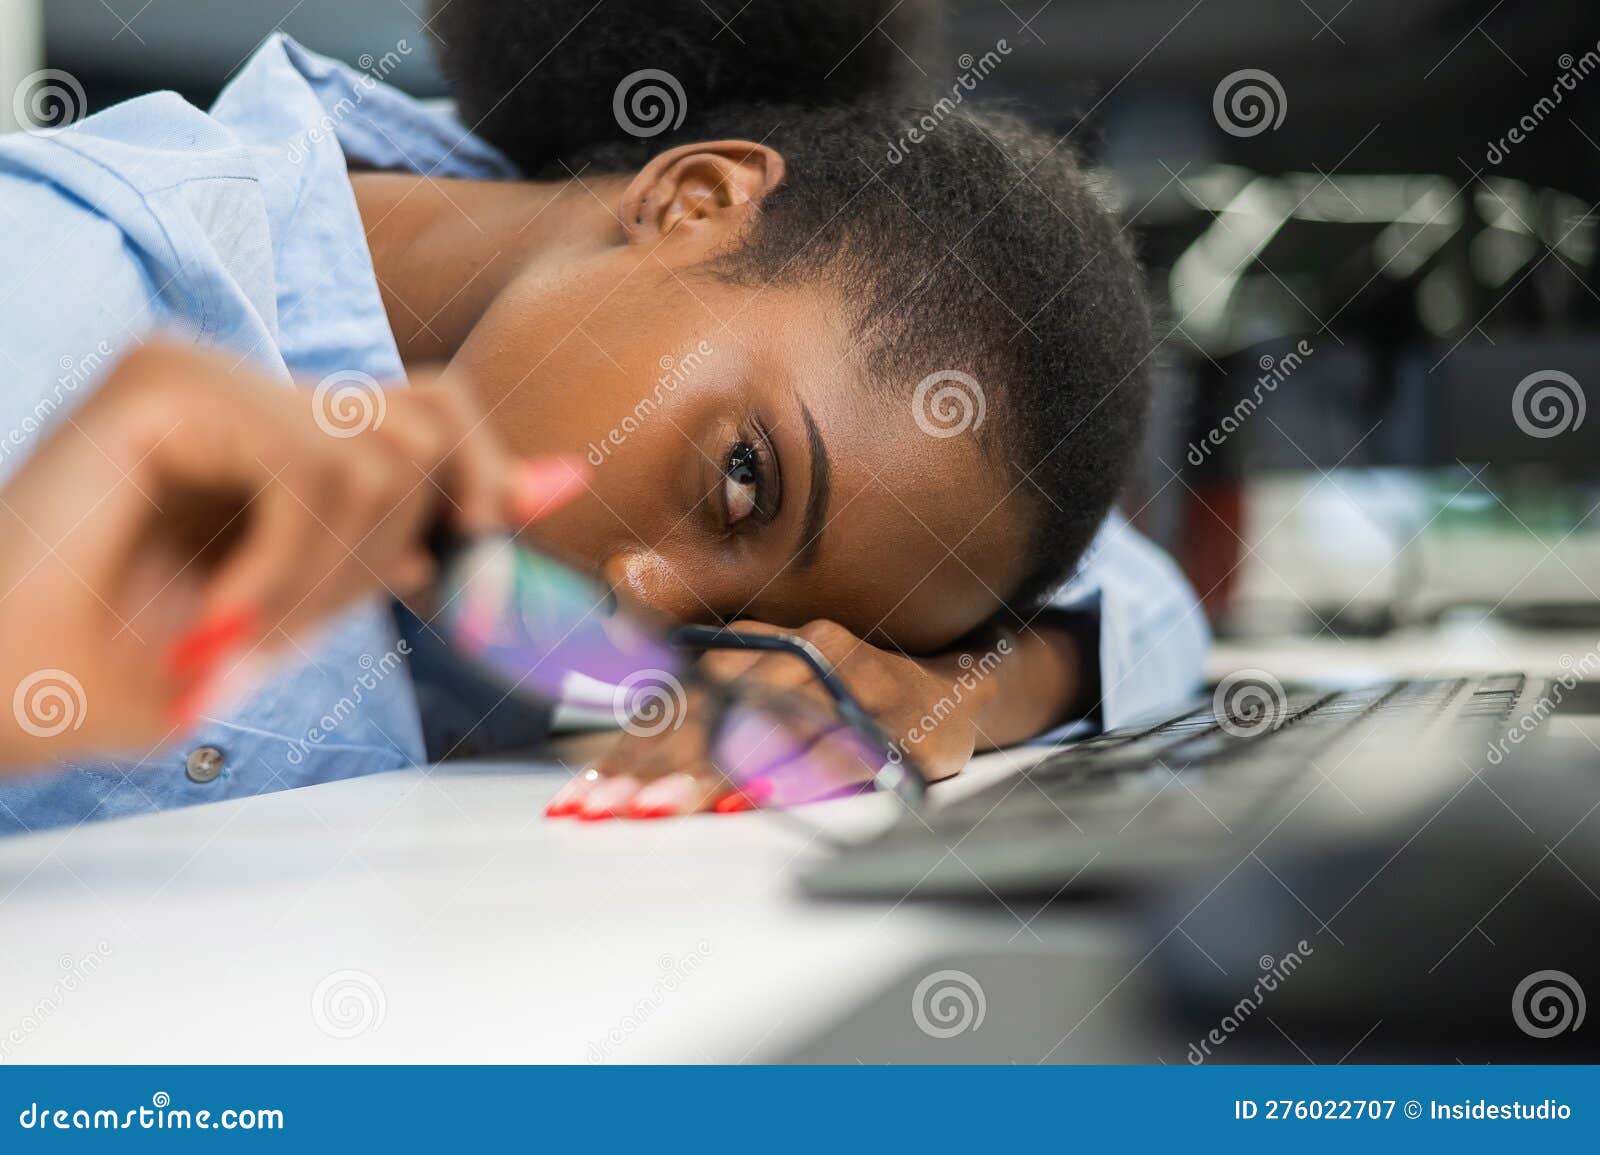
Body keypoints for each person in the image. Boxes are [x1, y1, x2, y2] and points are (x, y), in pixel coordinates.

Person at [0, 16, 1206, 831]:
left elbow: (1139, 594)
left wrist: (964, 691)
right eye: (741, 482)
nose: (641, 610)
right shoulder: (50, 300)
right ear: (693, 199)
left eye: (746, 626)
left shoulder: (646, 341)